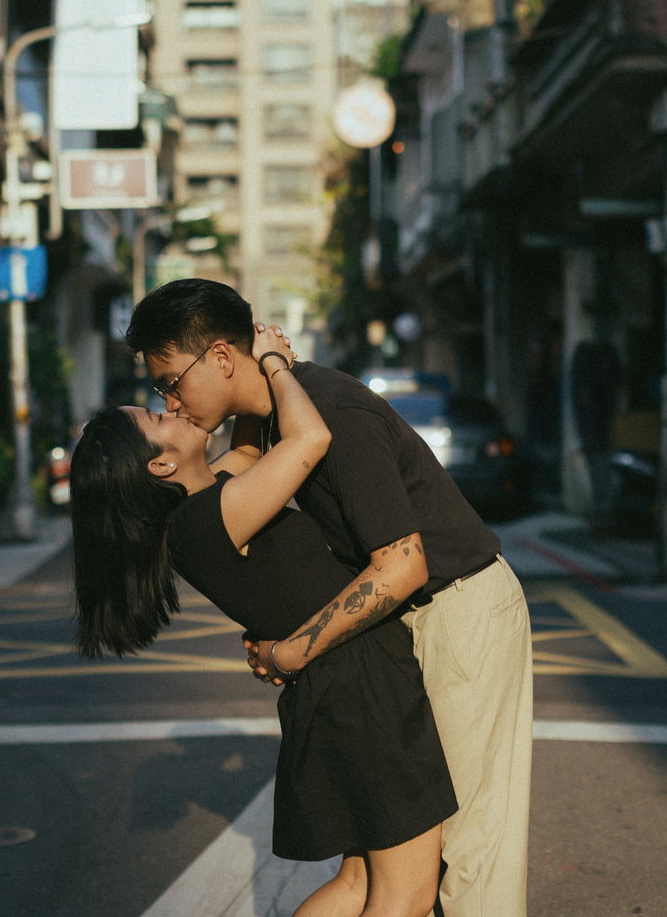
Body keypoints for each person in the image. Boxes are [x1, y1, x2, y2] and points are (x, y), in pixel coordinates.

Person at [127, 280, 533, 917]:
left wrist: (289, 649)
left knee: (468, 854)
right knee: (406, 874)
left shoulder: (329, 416)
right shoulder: (276, 422)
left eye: (171, 381)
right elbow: (243, 467)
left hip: (453, 611)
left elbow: (403, 563)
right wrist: (269, 367)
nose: (171, 401)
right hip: (391, 639)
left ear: (222, 359)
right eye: (160, 395)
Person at [70, 324, 457, 917]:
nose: (169, 407)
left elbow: (250, 451)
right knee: (405, 896)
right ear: (161, 465)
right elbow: (309, 437)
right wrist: (274, 364)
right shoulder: (210, 519)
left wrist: (238, 377)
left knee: (358, 884)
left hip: (335, 690)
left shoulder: (206, 510)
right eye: (156, 420)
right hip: (361, 688)